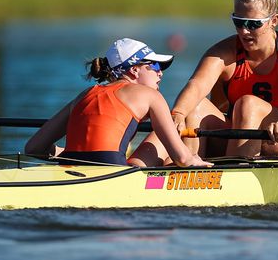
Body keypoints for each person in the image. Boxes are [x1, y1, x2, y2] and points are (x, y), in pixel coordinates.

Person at [133, 0, 278, 162]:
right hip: (241, 134)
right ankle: (174, 169)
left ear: (274, 21)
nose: (244, 31)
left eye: (253, 24)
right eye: (238, 22)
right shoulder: (225, 51)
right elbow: (197, 86)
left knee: (249, 105)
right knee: (194, 107)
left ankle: (233, 173)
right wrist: (178, 113)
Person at [25, 38, 209, 168]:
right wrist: (195, 159)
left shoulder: (84, 95)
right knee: (166, 135)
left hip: (68, 165)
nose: (160, 73)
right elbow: (183, 159)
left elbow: (34, 148)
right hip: (111, 171)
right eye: (153, 66)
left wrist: (69, 152)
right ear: (134, 70)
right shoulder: (151, 96)